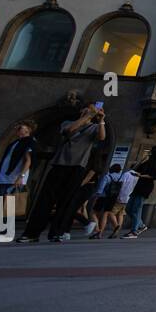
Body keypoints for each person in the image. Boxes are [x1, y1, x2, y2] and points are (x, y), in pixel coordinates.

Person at [19, 104, 106, 244]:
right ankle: (32, 233)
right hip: (59, 164)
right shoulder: (68, 123)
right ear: (82, 110)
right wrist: (87, 116)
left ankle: (56, 233)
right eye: (88, 108)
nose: (91, 110)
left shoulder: (94, 128)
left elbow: (102, 137)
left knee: (66, 202)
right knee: (45, 200)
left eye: (92, 109)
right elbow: (69, 130)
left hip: (78, 167)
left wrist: (101, 120)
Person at [123, 145, 156, 239]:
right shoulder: (146, 162)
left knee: (136, 209)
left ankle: (134, 231)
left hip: (146, 187)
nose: (150, 152)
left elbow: (155, 176)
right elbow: (135, 169)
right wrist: (143, 159)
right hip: (138, 186)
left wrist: (141, 175)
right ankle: (141, 225)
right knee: (128, 208)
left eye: (151, 151)